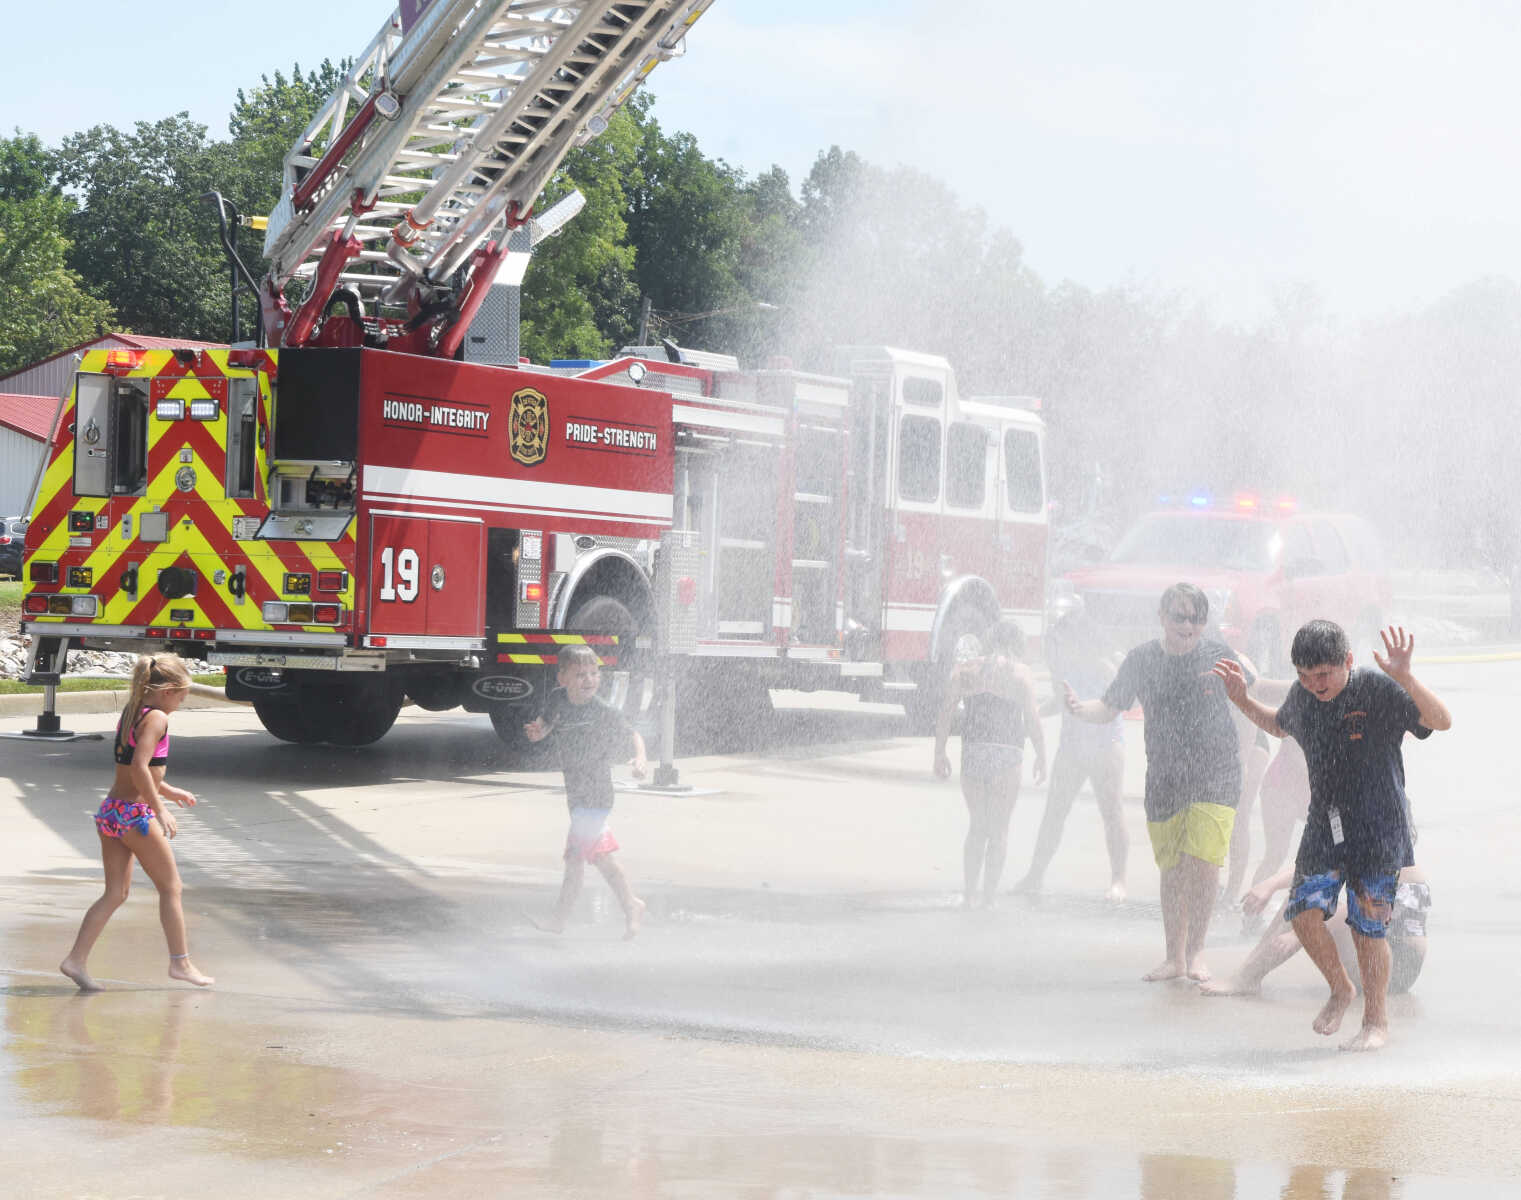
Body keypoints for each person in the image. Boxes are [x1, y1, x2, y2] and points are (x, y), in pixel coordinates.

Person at [1214, 622, 1451, 1051]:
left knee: (1368, 928)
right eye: (1305, 676)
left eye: (1323, 674)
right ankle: (1341, 988)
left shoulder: (1378, 690)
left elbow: (1441, 721)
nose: (1314, 685)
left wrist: (1407, 678)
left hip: (1380, 828)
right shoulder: (1303, 696)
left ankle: (1375, 1023)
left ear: (1347, 661)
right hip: (1326, 823)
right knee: (1303, 914)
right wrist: (1243, 700)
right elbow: (1279, 725)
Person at [1066, 583, 1249, 982]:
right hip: (1165, 779)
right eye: (1180, 616)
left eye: (1197, 618)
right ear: (1162, 617)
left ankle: (1197, 952)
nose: (1188, 625)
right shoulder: (1142, 659)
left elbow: (1250, 697)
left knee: (1202, 864)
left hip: (1215, 776)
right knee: (1172, 870)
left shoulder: (1218, 655)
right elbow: (1111, 706)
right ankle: (1174, 957)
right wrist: (1080, 709)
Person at [59, 653, 213, 991]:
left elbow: (133, 767)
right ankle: (181, 964)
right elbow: (142, 768)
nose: (181, 704)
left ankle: (76, 960)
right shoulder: (157, 716)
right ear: (167, 691)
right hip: (135, 816)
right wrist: (160, 808)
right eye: (182, 696)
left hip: (111, 811)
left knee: (115, 893)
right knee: (172, 888)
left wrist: (169, 792)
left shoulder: (133, 711)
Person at [525, 644, 649, 938]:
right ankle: (623, 906)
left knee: (585, 859)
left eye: (594, 673)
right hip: (576, 793)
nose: (589, 680)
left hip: (597, 792)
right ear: (562, 678)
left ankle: (628, 905)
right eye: (581, 675)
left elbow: (632, 733)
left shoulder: (603, 710)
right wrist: (537, 732)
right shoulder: (557, 700)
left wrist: (640, 757)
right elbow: (546, 725)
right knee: (583, 860)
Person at [1013, 610, 1128, 903]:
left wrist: (1081, 706)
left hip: (1105, 745)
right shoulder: (1062, 668)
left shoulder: (1104, 667)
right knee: (1054, 813)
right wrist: (1036, 714)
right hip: (1072, 747)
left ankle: (1118, 880)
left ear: (1080, 639)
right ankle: (1035, 876)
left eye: (1064, 638)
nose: (1059, 644)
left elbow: (1116, 702)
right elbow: (1060, 702)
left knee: (1111, 814)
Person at [934, 620, 1046, 909]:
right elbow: (1032, 718)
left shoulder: (965, 670)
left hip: (974, 751)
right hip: (1007, 753)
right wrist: (1042, 755)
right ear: (1017, 643)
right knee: (999, 830)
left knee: (977, 827)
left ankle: (969, 895)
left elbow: (946, 711)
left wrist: (940, 752)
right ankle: (988, 899)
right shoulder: (1020, 673)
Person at [1199, 862, 1430, 999]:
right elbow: (1320, 867)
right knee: (1299, 896)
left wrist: (1301, 933)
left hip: (1393, 973)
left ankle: (1247, 977)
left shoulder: (1407, 871)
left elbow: (1365, 917)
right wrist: (1269, 885)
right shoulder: (1369, 848)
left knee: (1311, 906)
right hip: (1368, 960)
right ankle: (1248, 973)